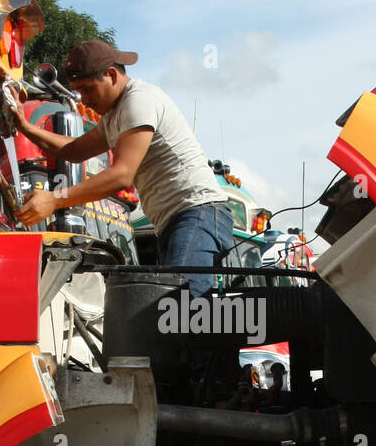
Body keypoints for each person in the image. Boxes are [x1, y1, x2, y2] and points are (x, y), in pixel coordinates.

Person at [12, 40, 233, 296]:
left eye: (87, 89)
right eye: (77, 91)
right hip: (177, 220)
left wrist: (54, 199)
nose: (84, 99)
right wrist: (25, 127)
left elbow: (121, 175)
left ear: (111, 75)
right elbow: (74, 150)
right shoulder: (113, 117)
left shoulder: (139, 100)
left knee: (184, 310)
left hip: (197, 212)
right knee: (177, 312)